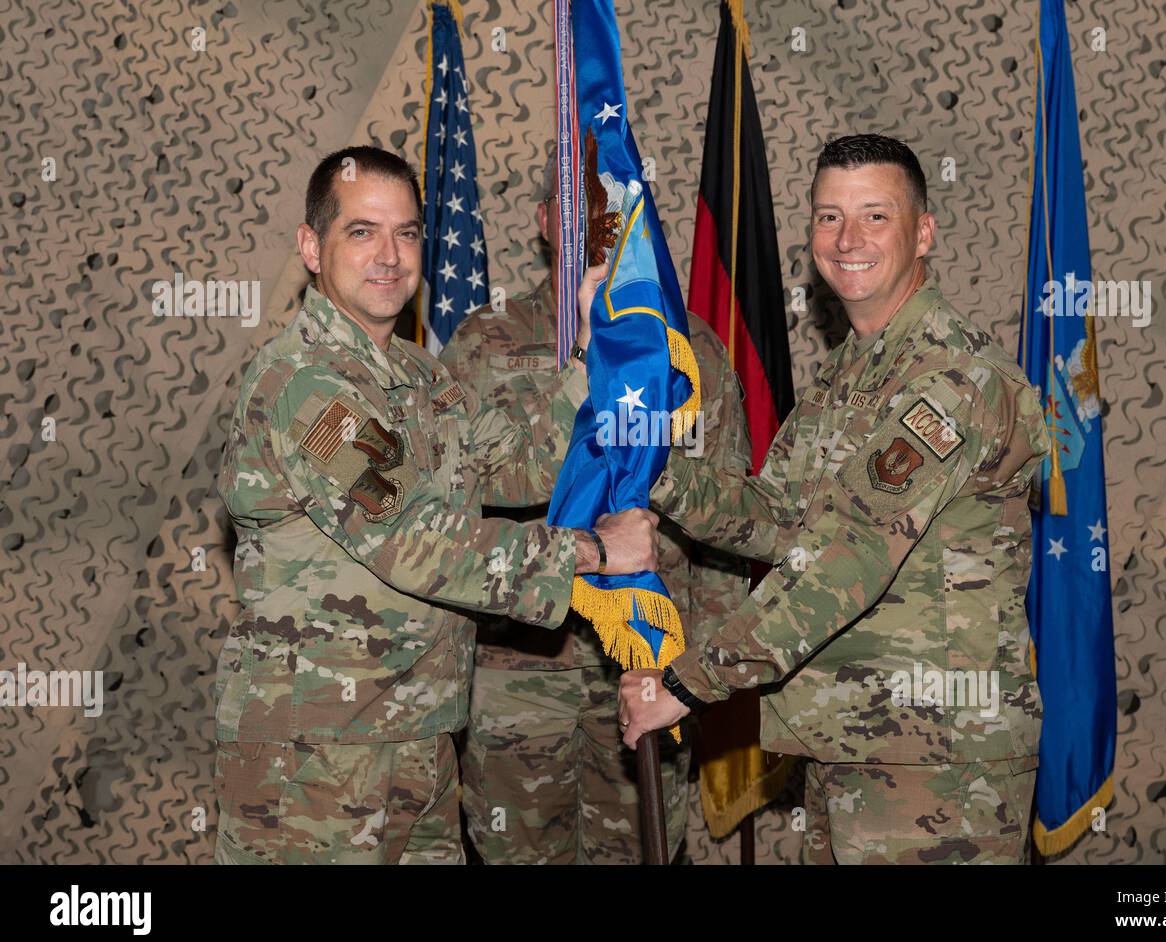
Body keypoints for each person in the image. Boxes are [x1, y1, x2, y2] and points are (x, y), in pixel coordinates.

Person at [215, 145, 657, 864]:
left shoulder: (419, 373)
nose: (389, 255)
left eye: (407, 232)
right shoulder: (306, 385)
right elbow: (416, 541)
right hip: (316, 762)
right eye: (362, 231)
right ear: (311, 247)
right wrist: (594, 553)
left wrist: (582, 356)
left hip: (417, 737)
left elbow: (513, 463)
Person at [619, 133, 1051, 865]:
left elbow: (844, 558)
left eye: (875, 216)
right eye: (828, 217)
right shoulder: (848, 377)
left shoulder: (952, 378)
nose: (847, 239)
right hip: (854, 740)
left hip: (938, 763)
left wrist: (689, 685)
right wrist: (647, 467)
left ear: (924, 233)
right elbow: (780, 519)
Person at [439, 152, 752, 863]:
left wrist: (696, 670)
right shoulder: (482, 344)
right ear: (545, 222)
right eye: (576, 209)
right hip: (514, 670)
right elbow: (451, 509)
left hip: (644, 667)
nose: (596, 226)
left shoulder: (689, 350)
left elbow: (731, 527)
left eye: (612, 209)